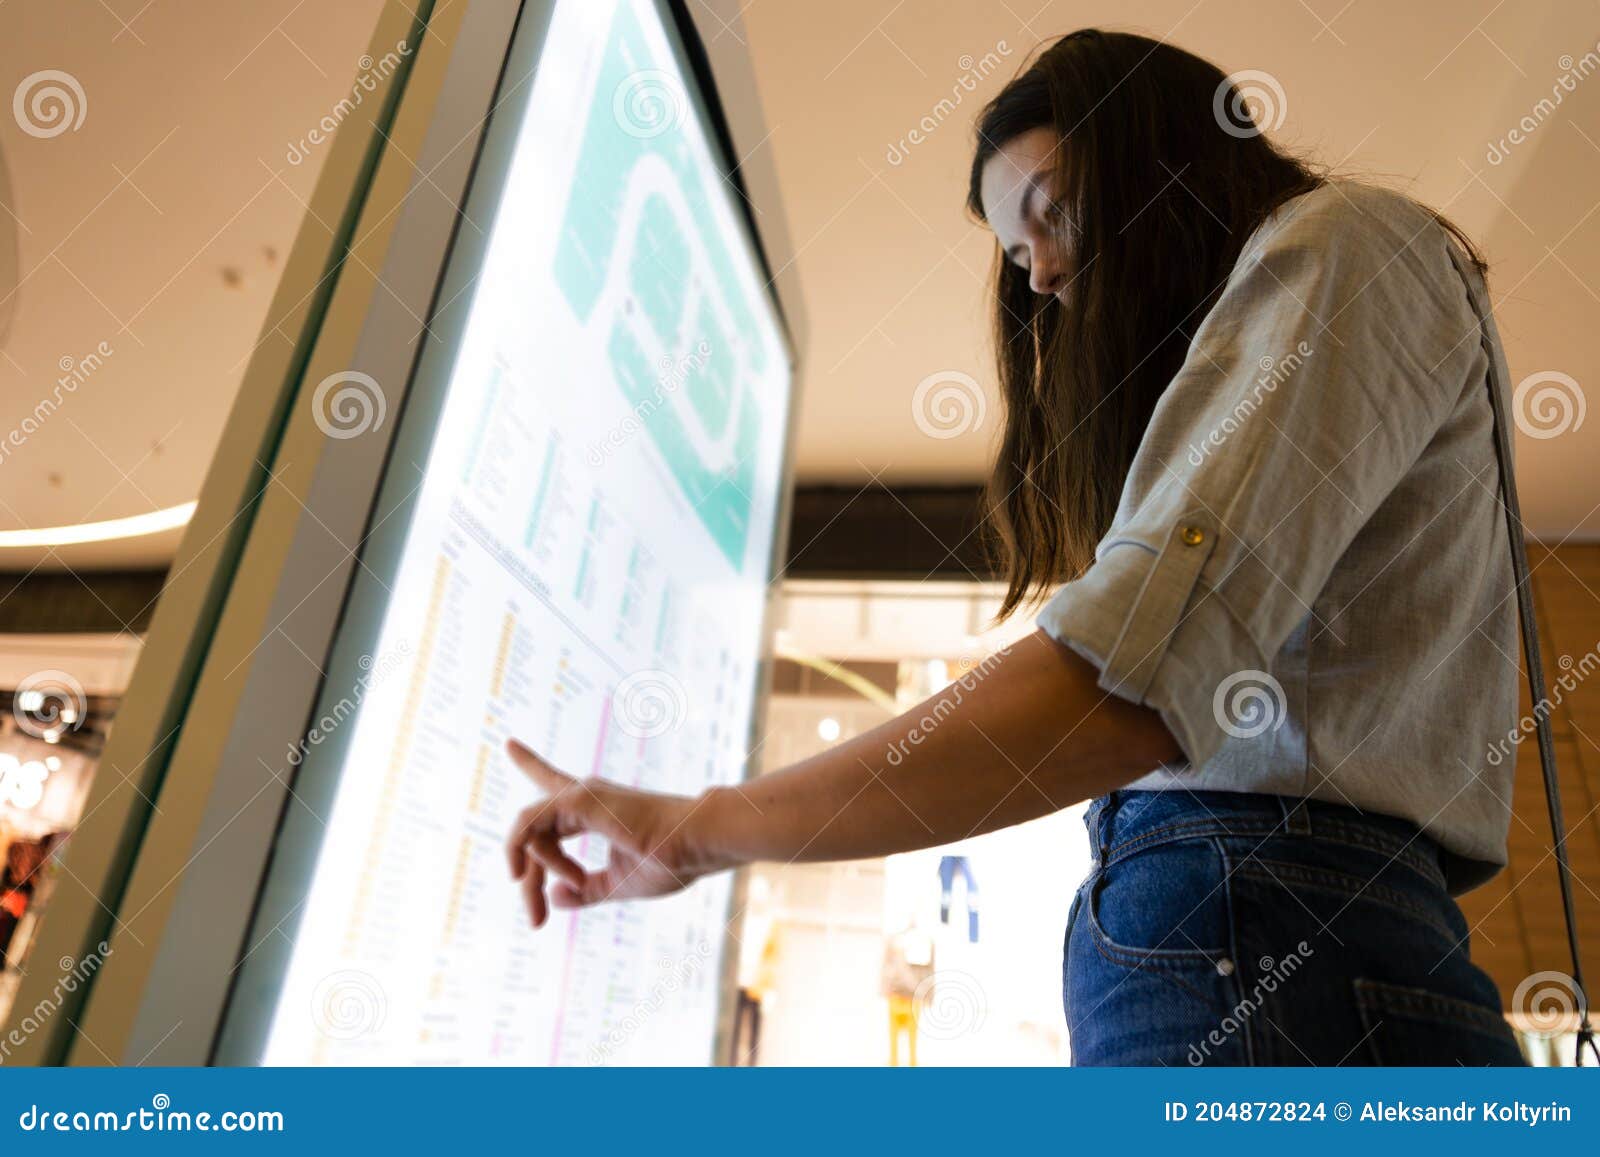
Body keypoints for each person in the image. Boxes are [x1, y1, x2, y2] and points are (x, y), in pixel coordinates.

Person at [506, 29, 1527, 1066]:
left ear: (1167, 156)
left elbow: (1122, 689)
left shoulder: (1348, 241)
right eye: (1014, 251)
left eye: (1053, 213)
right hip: (1292, 932)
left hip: (1264, 928)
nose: (1039, 275)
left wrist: (703, 828)